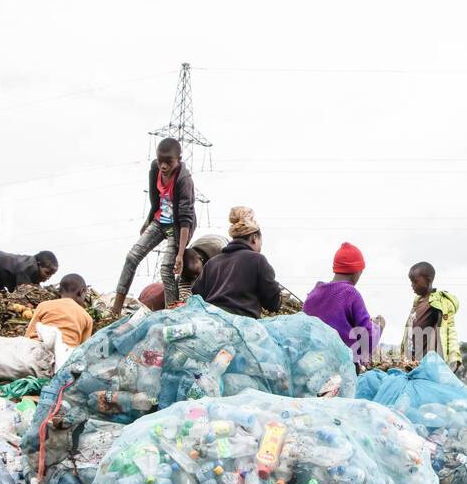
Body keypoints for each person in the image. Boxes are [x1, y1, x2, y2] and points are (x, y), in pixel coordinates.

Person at [111, 138, 197, 317]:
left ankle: (171, 314)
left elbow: (185, 219)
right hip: (160, 221)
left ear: (179, 159)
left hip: (178, 227)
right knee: (132, 257)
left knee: (166, 269)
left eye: (169, 162)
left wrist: (180, 254)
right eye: (160, 161)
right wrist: (149, 220)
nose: (164, 166)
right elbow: (155, 200)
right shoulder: (155, 169)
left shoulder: (184, 180)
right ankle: (115, 309)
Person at [303, 242, 384, 367]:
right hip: (341, 367)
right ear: (357, 271)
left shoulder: (314, 294)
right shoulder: (351, 294)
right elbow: (366, 339)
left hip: (311, 364)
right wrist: (379, 327)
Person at [191, 206, 281, 318]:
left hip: (212, 323)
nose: (261, 246)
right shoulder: (258, 260)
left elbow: (196, 294)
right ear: (254, 238)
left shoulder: (212, 263)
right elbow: (273, 304)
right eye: (260, 242)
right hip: (242, 327)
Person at [401, 262, 460, 370]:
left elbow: (449, 330)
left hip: (428, 364)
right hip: (411, 362)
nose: (412, 285)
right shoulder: (417, 302)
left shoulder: (440, 303)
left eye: (415, 281)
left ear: (428, 280)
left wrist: (454, 357)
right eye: (411, 282)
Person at [26, 273, 95, 349]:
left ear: (59, 291)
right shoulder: (87, 317)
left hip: (38, 350)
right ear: (81, 291)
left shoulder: (44, 305)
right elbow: (83, 349)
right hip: (65, 356)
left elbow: (29, 335)